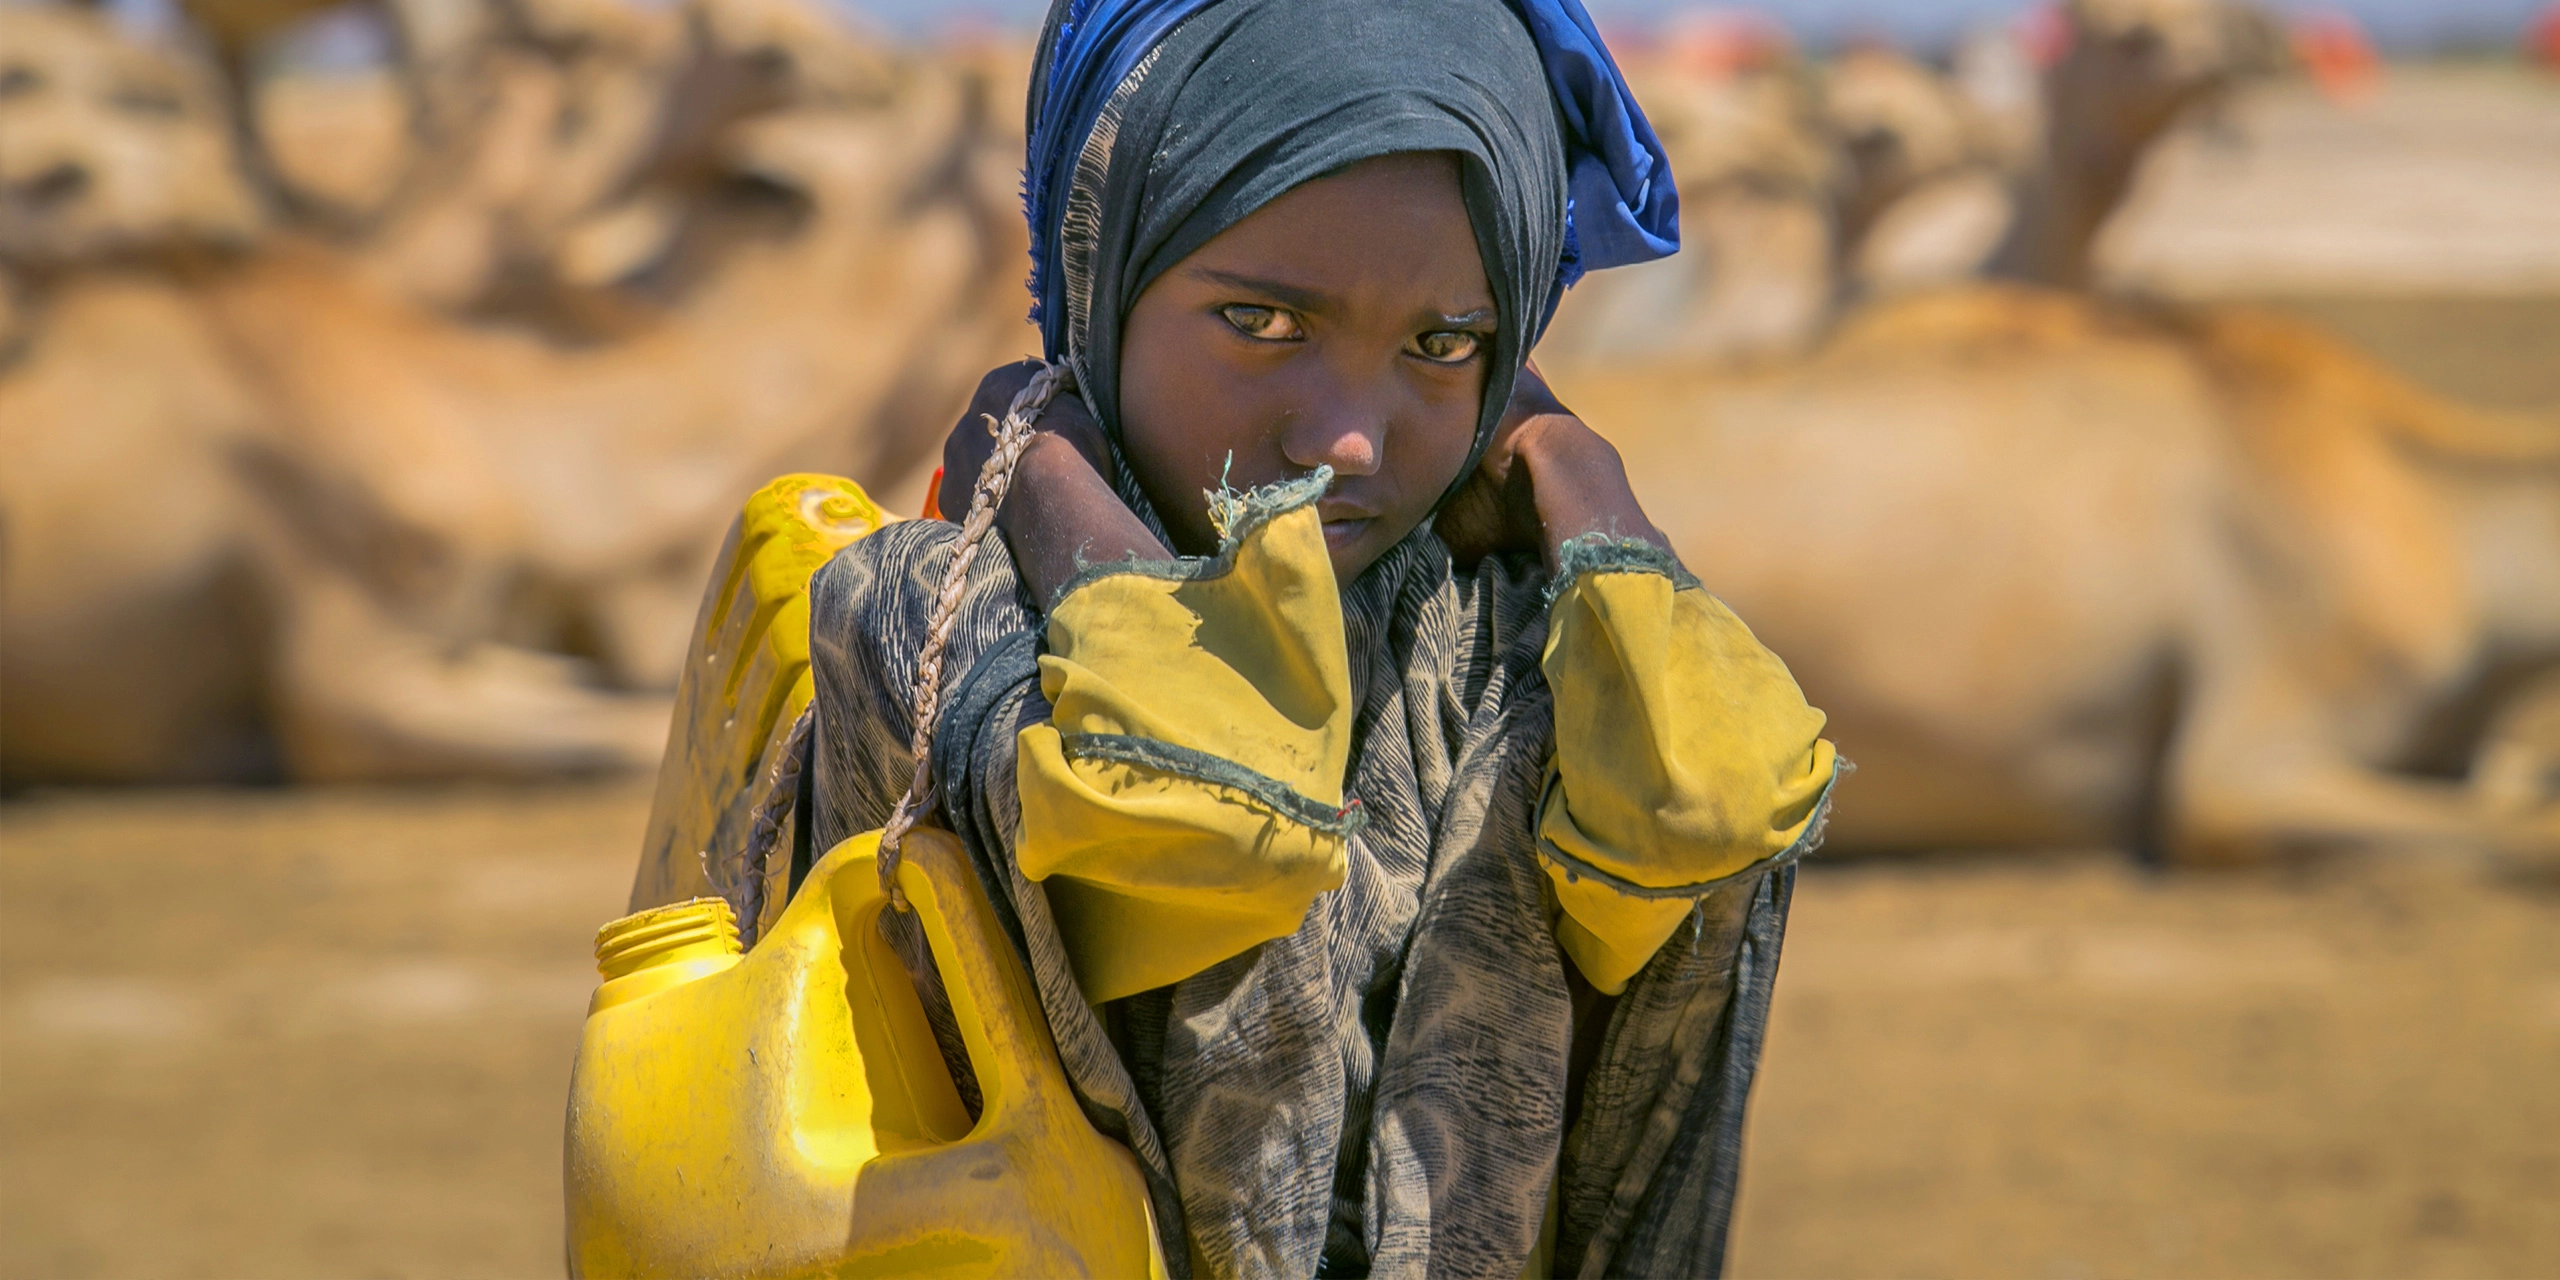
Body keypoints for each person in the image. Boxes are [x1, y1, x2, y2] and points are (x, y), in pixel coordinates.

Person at [806, 0, 1839, 1273]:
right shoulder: (925, 605)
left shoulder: (1514, 634)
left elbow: (1709, 798)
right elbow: (1190, 797)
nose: (1349, 438)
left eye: (1444, 344)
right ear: (1104, 285)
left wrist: (1579, 466)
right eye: (1263, 323)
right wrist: (1041, 462)